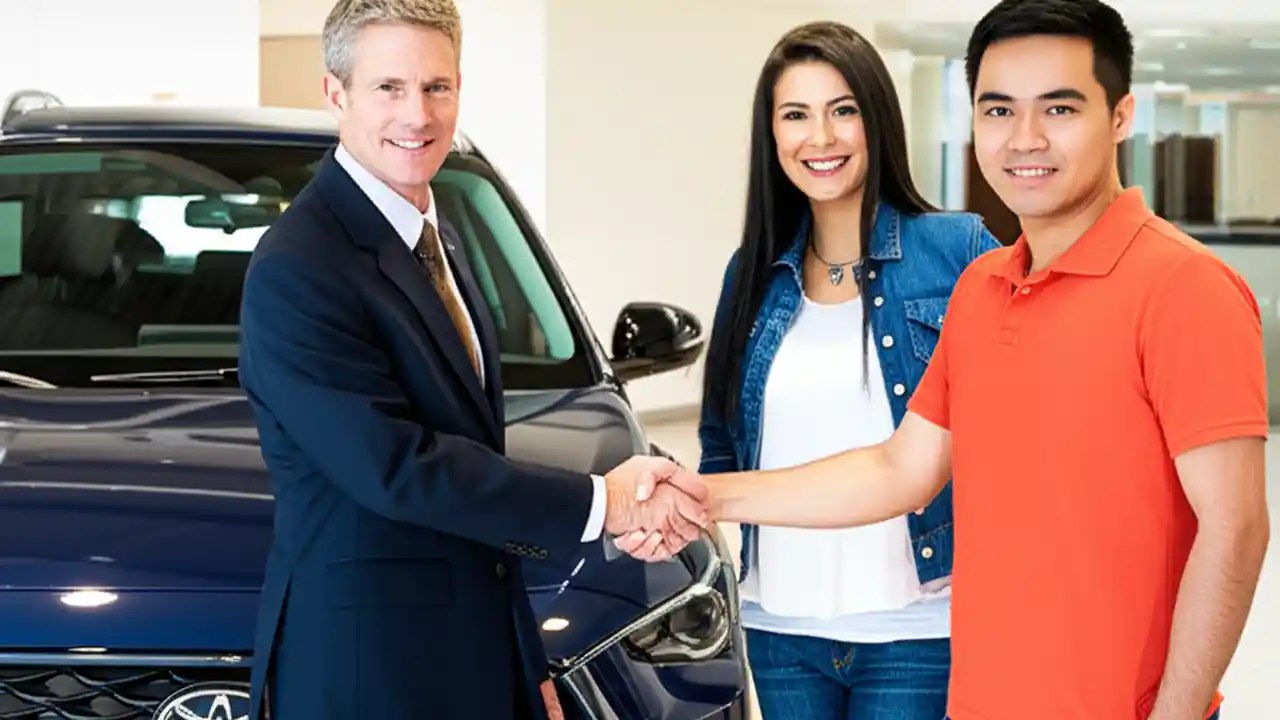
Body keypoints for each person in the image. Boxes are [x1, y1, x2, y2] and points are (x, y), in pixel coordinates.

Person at [624, 1, 1270, 718]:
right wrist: (705, 496)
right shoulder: (982, 291)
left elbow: (1235, 528)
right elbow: (899, 469)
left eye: (1059, 108)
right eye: (997, 112)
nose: (1024, 138)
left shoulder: (1186, 288)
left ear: (1121, 116)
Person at [237, 1, 704, 719]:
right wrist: (603, 502)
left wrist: (521, 663)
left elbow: (471, 480)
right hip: (369, 671)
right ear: (336, 92)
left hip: (466, 656)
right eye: (388, 88)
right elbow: (399, 468)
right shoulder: (301, 264)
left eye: (437, 87)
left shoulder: (437, 236)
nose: (417, 115)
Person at [695, 20, 998, 720]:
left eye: (843, 111)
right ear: (772, 136)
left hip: (917, 628)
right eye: (795, 115)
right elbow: (722, 441)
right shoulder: (750, 275)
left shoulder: (959, 252)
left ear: (876, 120)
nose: (820, 138)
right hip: (781, 627)